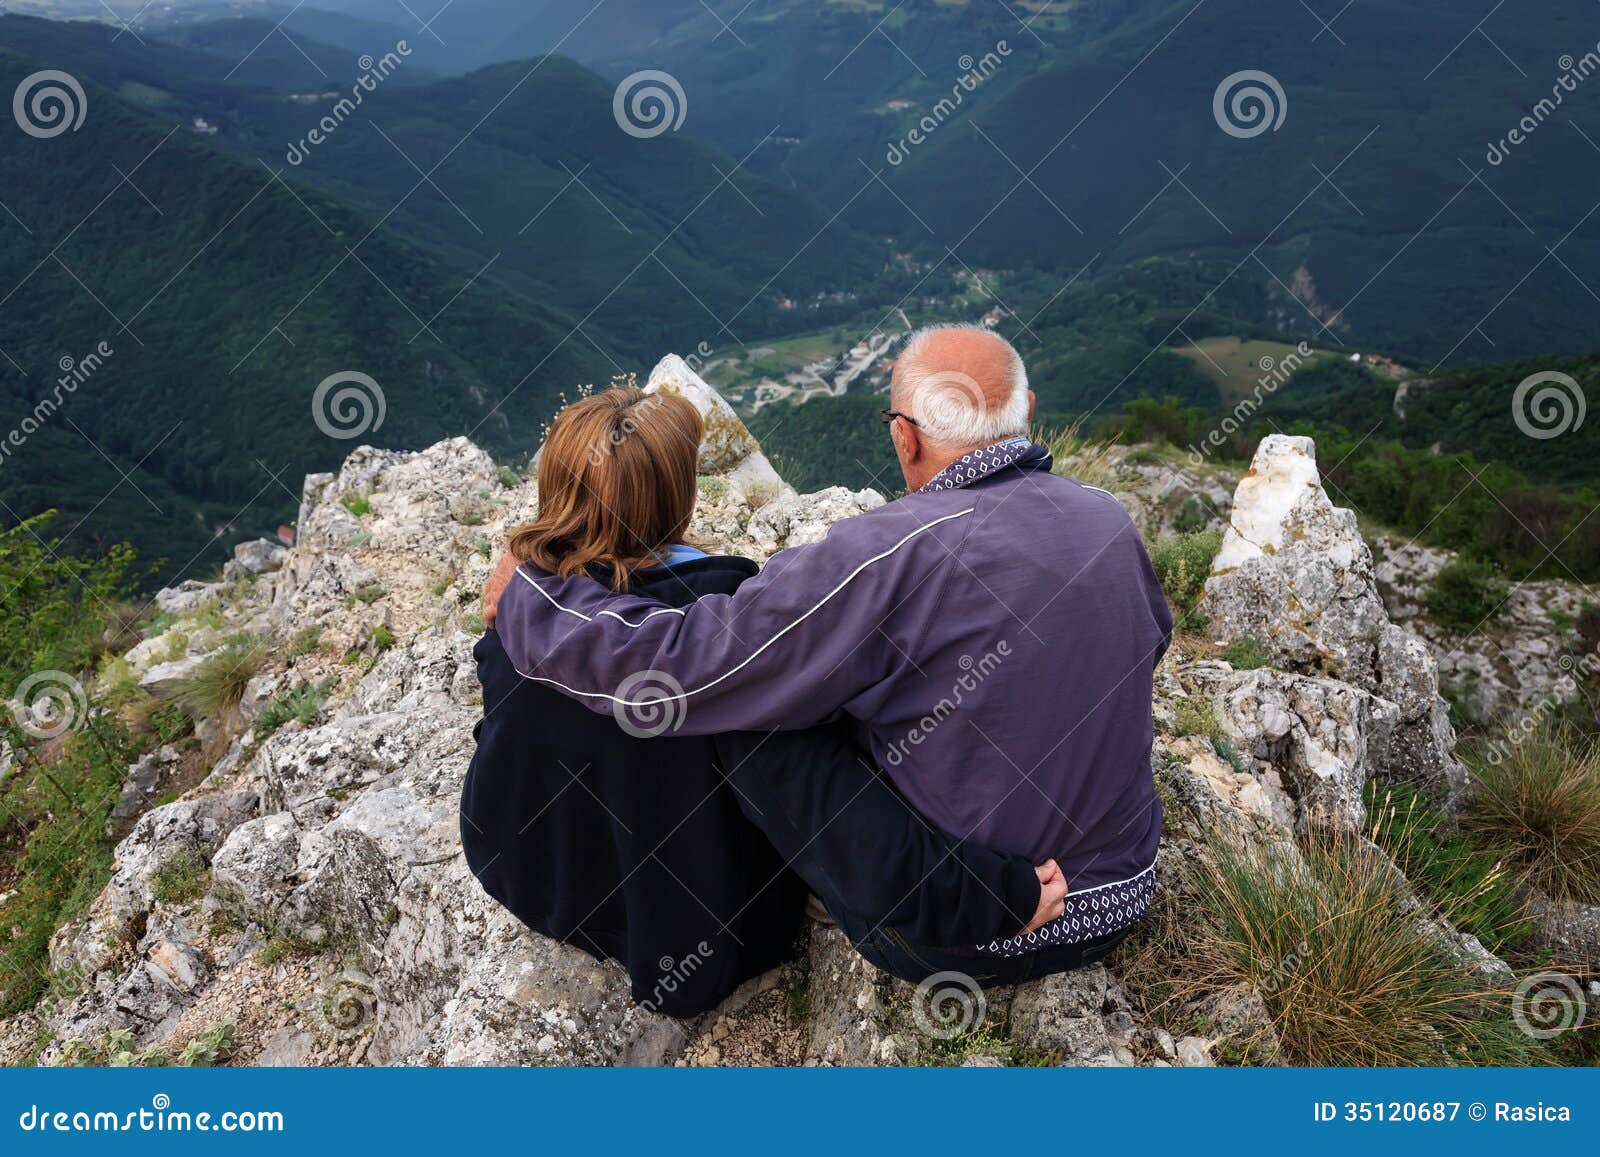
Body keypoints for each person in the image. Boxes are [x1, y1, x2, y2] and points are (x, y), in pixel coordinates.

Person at [488, 326, 1174, 986]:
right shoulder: (1107, 517)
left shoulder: (887, 551)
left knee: (759, 709)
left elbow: (684, 671)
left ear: (904, 436)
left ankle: (944, 888)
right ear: (1026, 412)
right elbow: (1149, 644)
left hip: (961, 936)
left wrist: (530, 599)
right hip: (1118, 900)